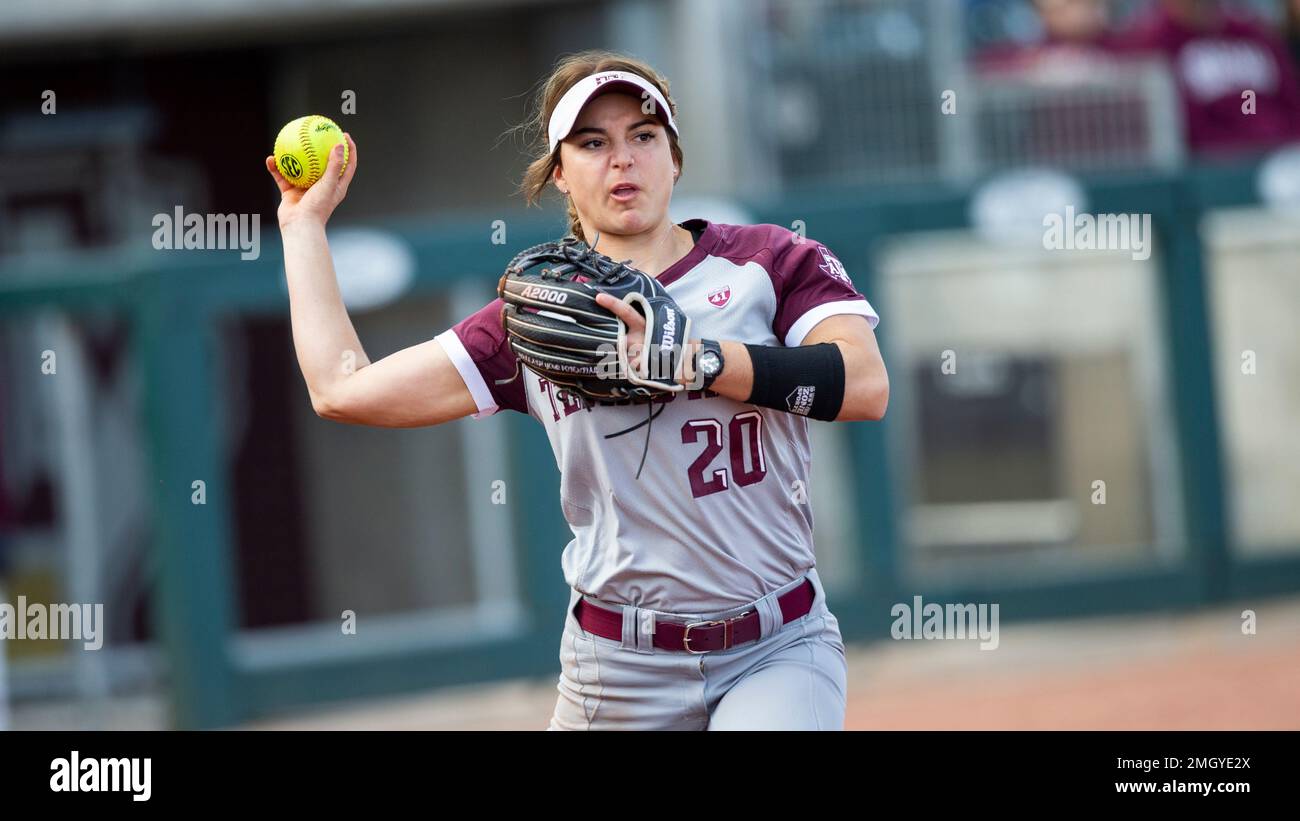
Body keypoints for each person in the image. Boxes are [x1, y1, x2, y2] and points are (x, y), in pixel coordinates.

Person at [264, 50, 889, 730]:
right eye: (592, 142)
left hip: (776, 646)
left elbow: (864, 384)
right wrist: (303, 230)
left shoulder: (768, 262)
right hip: (615, 667)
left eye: (643, 136)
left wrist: (700, 358)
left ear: (674, 158)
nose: (622, 160)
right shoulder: (535, 318)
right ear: (560, 172)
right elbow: (341, 388)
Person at [1121, 0, 1300, 155]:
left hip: (1282, 154)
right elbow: (1183, 128)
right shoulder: (1153, 43)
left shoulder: (1253, 33)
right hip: (1209, 170)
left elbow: (1290, 99)